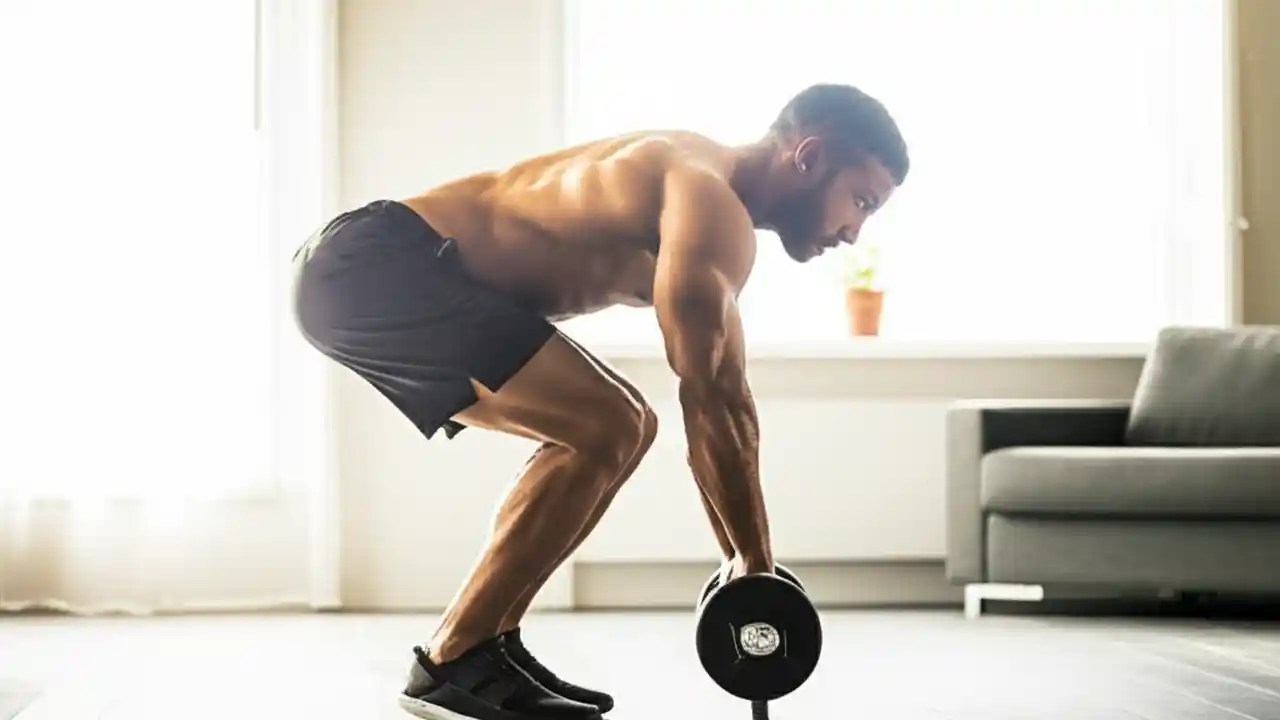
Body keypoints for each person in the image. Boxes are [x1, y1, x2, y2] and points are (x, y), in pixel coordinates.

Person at [291, 83, 908, 720]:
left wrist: (744, 559)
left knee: (621, 424)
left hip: (370, 266)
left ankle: (485, 646)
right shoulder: (707, 201)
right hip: (381, 267)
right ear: (807, 158)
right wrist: (753, 568)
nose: (855, 232)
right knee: (608, 423)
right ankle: (455, 658)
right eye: (859, 200)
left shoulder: (698, 185)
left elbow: (722, 399)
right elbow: (714, 399)